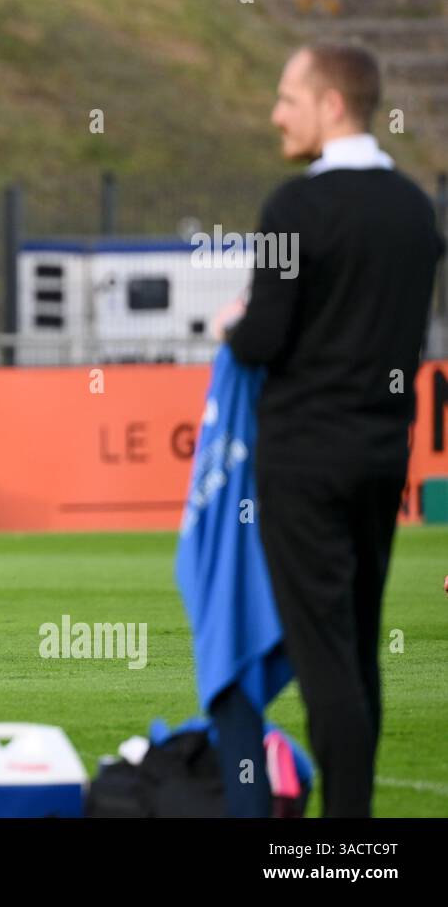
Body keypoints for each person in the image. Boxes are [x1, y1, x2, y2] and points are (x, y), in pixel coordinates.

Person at [216, 44, 445, 815]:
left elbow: (263, 340)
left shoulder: (295, 209)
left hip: (305, 459)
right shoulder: (416, 208)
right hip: (384, 455)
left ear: (331, 105)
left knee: (324, 659)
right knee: (359, 644)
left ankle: (343, 848)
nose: (277, 113)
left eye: (288, 97)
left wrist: (231, 326)